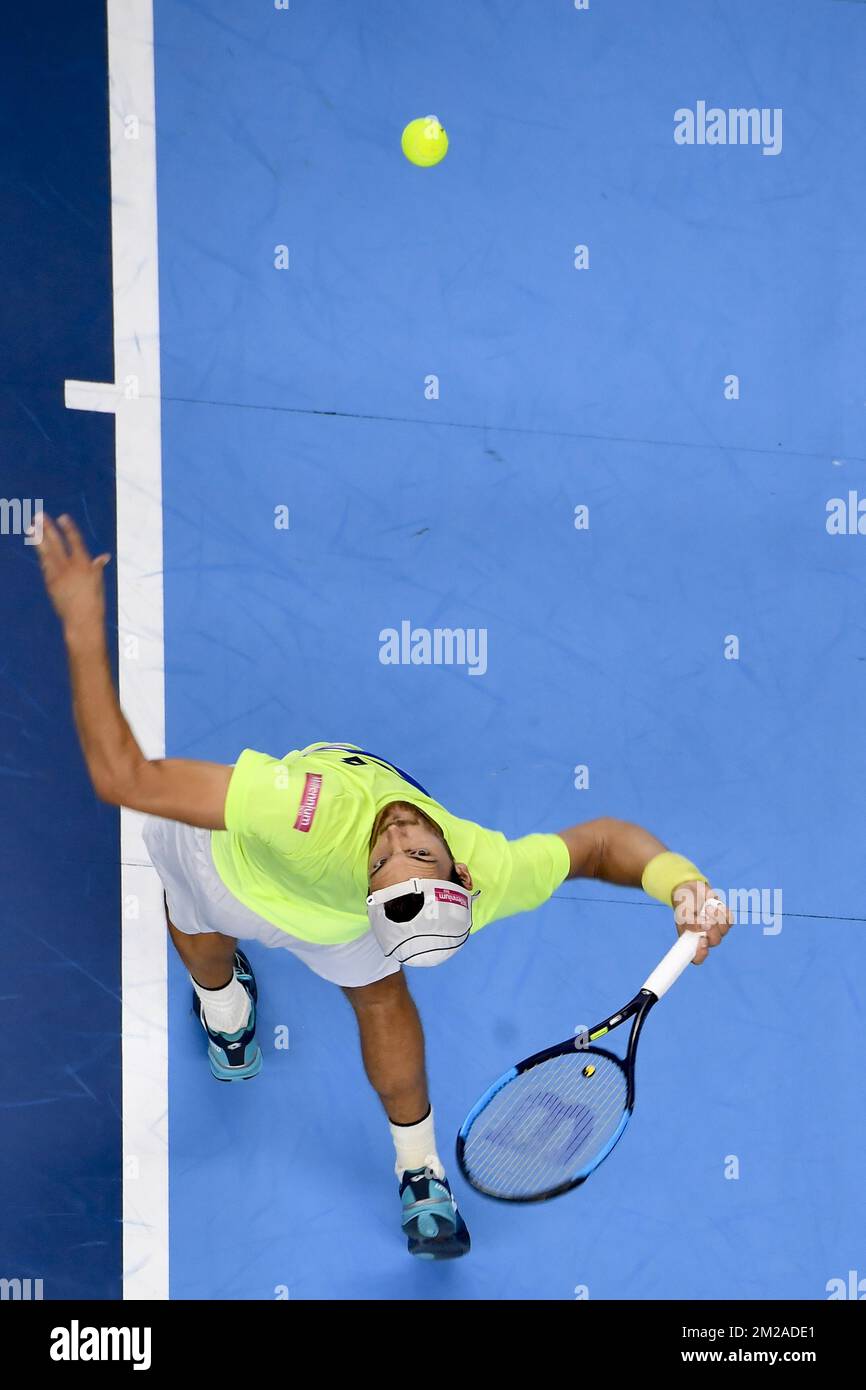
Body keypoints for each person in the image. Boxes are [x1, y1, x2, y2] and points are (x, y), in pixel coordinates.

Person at [33, 514, 732, 1260]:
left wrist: (81, 622)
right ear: (461, 878)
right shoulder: (490, 869)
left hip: (226, 872)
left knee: (199, 927)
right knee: (379, 996)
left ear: (375, 891)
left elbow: (125, 778)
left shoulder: (310, 809)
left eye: (391, 856)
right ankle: (420, 1171)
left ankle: (228, 1017)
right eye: (411, 851)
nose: (398, 834)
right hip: (335, 931)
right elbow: (600, 845)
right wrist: (679, 882)